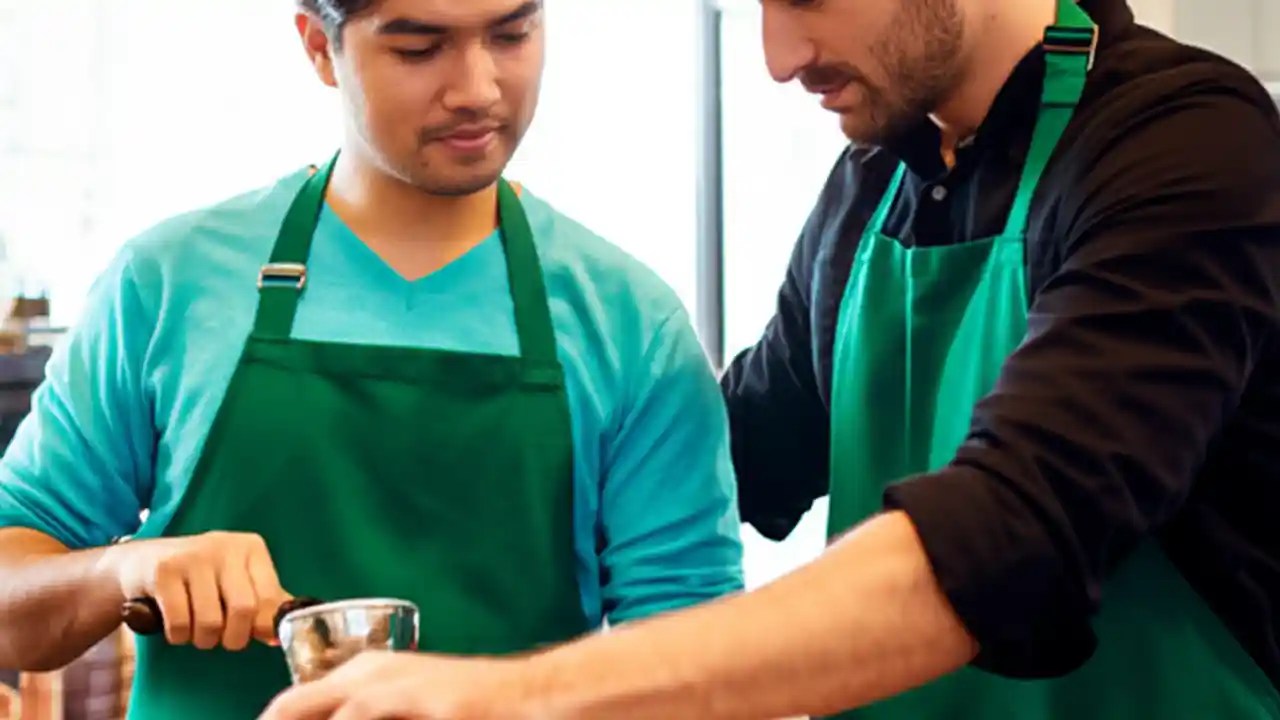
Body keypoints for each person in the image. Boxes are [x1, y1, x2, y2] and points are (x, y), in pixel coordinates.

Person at [257, 0, 1280, 717]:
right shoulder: (873, 180)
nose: (776, 55)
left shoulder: (1183, 144)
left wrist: (517, 698)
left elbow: (1015, 532)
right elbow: (736, 446)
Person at [0, 0, 745, 717]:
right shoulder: (166, 285)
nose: (477, 89)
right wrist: (124, 569)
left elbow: (699, 672)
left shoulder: (633, 325)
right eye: (419, 48)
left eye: (512, 35)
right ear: (320, 47)